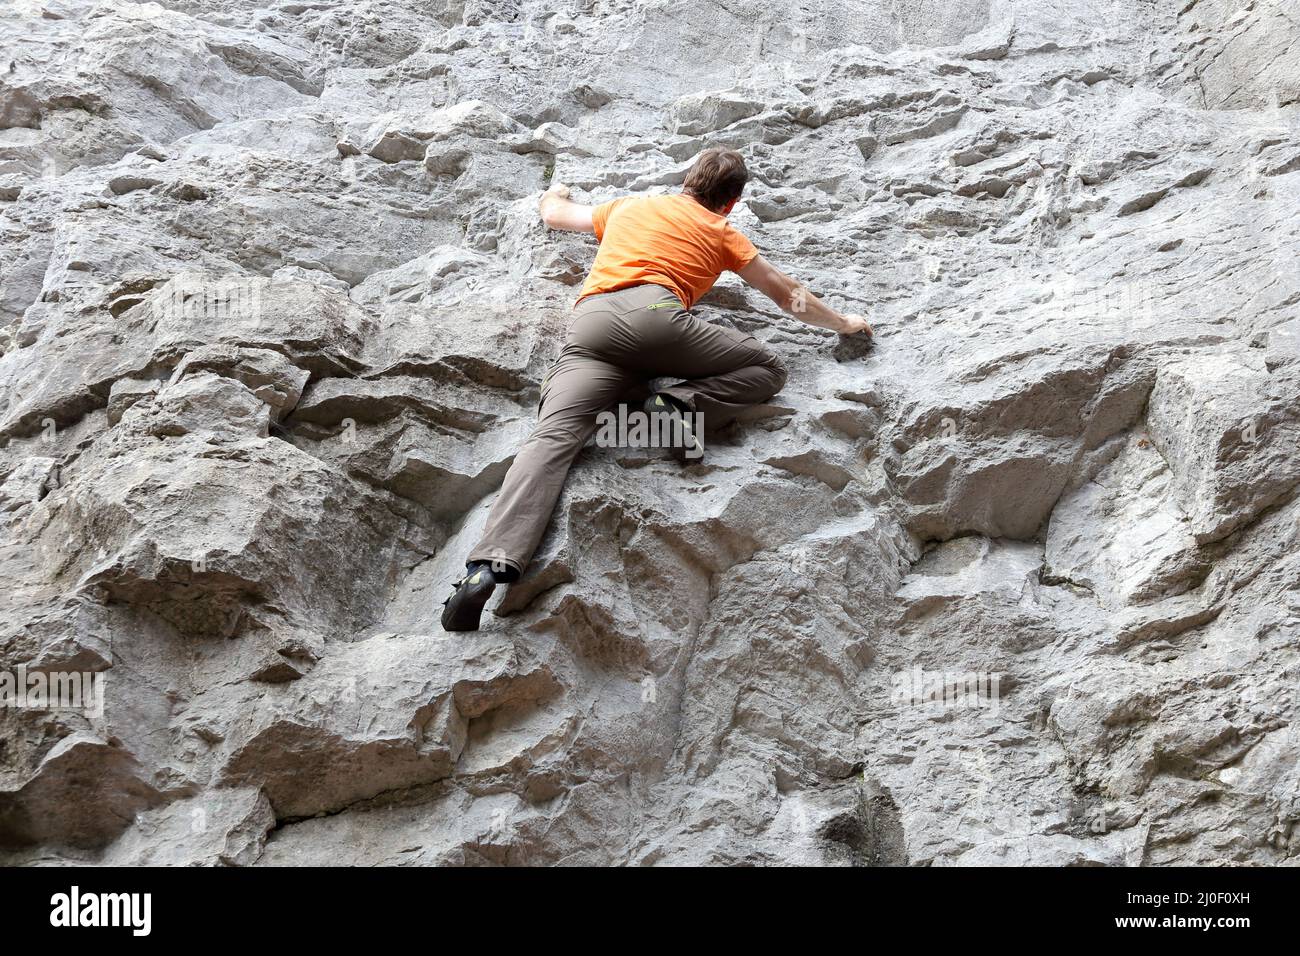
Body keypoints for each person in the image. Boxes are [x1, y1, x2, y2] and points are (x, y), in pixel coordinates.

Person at [441, 147, 872, 631]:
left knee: (551, 439)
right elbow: (784, 292)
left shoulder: (631, 206)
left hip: (591, 327)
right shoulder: (722, 231)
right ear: (730, 202)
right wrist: (842, 322)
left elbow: (555, 215)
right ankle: (677, 406)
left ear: (687, 180)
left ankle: (487, 567)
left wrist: (555, 190)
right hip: (657, 320)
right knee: (767, 367)